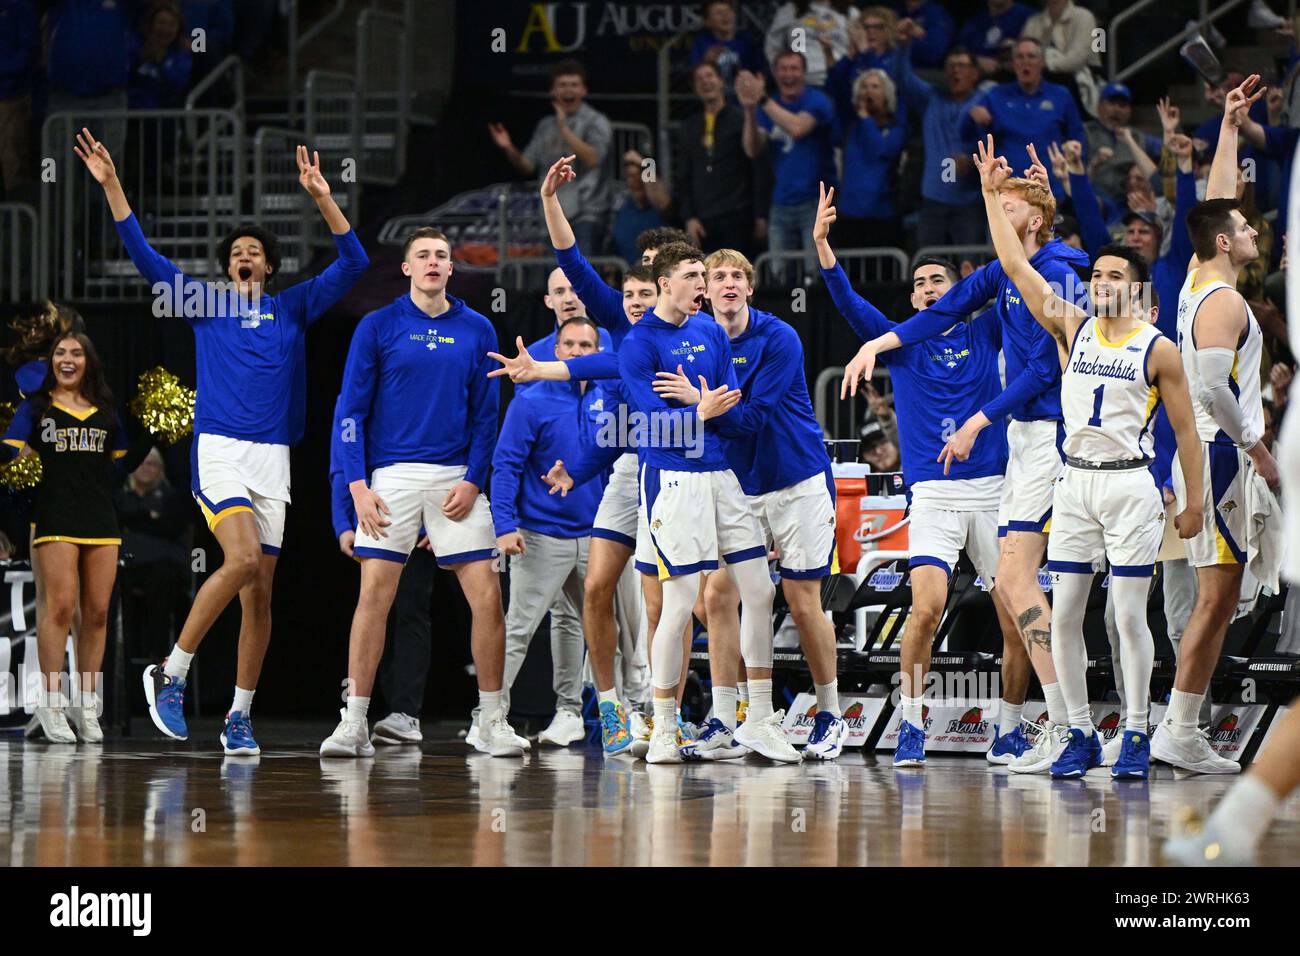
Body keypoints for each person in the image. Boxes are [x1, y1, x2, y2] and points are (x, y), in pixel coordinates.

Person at [78, 129, 369, 755]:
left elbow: (355, 264)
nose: (244, 256)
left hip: (274, 460)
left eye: (254, 251)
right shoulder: (205, 302)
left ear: (268, 265)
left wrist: (322, 195)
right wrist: (112, 186)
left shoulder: (292, 308)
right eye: (236, 250)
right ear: (228, 265)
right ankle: (172, 671)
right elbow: (145, 255)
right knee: (237, 562)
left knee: (259, 595)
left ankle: (239, 717)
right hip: (220, 452)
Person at [842, 144, 1092, 775]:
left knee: (1031, 591)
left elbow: (1042, 367)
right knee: (1019, 591)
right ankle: (1061, 726)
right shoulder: (1004, 274)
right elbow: (945, 310)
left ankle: (1067, 726)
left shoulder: (1058, 272)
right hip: (1009, 454)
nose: (993, 220)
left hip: (1052, 441)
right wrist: (878, 341)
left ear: (1032, 222)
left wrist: (979, 420)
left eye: (1004, 209)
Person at [973, 134, 1207, 779]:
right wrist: (993, 196)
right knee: (1067, 611)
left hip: (1131, 487)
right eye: (1097, 274)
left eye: (1113, 277)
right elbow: (1015, 266)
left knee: (1126, 614)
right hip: (1074, 485)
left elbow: (1187, 435)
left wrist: (1194, 501)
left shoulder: (1158, 349)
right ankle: (1076, 732)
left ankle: (1135, 733)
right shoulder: (1071, 325)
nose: (1101, 282)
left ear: (1134, 291)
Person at [819, 185, 1032, 767]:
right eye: (920, 285)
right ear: (912, 301)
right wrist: (822, 244)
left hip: (993, 488)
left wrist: (1021, 212)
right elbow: (845, 299)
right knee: (927, 607)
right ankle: (910, 724)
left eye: (938, 281)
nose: (928, 289)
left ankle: (1011, 729)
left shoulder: (984, 330)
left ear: (955, 289)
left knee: (1016, 615)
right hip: (933, 495)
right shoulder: (903, 346)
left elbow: (1012, 274)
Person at [322, 226, 516, 759]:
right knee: (374, 600)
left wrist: (474, 479)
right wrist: (357, 486)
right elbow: (350, 414)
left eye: (442, 256)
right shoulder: (376, 325)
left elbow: (486, 417)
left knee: (488, 600)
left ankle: (491, 720)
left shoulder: (478, 329)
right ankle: (355, 721)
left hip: (456, 477)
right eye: (423, 255)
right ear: (406, 268)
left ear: (452, 268)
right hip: (393, 478)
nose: (433, 262)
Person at [653, 247, 844, 760]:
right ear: (704, 291)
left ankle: (830, 712)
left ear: (751, 288)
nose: (728, 284)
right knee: (717, 597)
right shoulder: (694, 339)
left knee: (804, 603)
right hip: (738, 485)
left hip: (796, 480)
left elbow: (751, 417)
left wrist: (699, 405)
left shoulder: (779, 337)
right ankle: (727, 716)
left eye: (738, 275)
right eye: (718, 277)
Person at [611, 241, 792, 764]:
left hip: (720, 472)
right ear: (665, 283)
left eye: (703, 275)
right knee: (679, 604)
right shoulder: (638, 343)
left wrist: (698, 404)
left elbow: (729, 407)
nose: (703, 284)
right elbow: (646, 424)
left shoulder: (710, 331)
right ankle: (663, 725)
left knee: (758, 590)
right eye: (694, 276)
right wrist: (702, 409)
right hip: (671, 477)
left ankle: (757, 718)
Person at [1153, 75, 1285, 774]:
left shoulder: (1201, 279)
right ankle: (1178, 727)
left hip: (1204, 452)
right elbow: (1207, 382)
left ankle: (1180, 725)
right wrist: (1256, 447)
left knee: (1220, 594)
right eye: (1246, 229)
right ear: (1225, 244)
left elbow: (1217, 203)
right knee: (1214, 597)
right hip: (1217, 452)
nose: (1254, 230)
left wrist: (1228, 123)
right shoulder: (1225, 303)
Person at [4, 332, 155, 743]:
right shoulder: (35, 408)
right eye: (60, 353)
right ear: (51, 362)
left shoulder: (104, 411)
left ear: (89, 362)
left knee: (97, 613)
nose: (67, 359)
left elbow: (121, 467)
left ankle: (87, 705)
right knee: (59, 608)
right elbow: (9, 451)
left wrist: (154, 429)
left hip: (101, 520)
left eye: (76, 353)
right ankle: (50, 704)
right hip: (54, 516)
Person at [489, 318, 605, 747]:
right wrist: (504, 526)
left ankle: (570, 712)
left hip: (595, 534)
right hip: (541, 533)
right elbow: (505, 466)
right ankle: (490, 716)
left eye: (586, 345)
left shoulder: (607, 397)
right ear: (556, 350)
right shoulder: (531, 400)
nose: (577, 352)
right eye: (569, 344)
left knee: (579, 623)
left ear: (598, 351)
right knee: (519, 627)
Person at [488, 59, 613, 254]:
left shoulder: (596, 121)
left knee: (582, 279)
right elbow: (527, 166)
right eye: (562, 85)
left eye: (574, 85)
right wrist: (508, 147)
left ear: (583, 91)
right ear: (553, 92)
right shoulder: (546, 126)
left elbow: (593, 159)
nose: (568, 90)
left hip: (587, 215)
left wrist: (564, 129)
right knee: (554, 278)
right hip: (552, 213)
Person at [738, 52, 838, 275]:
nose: (788, 74)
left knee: (817, 273)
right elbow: (752, 149)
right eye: (783, 69)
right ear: (775, 73)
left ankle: (813, 311)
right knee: (779, 275)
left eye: (794, 68)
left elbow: (798, 128)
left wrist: (762, 100)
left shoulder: (817, 100)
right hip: (780, 203)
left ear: (804, 73)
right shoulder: (767, 106)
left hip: (815, 203)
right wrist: (750, 109)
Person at [962, 37, 1086, 198]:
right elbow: (965, 134)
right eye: (1020, 57)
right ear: (1013, 64)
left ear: (1041, 62)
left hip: (1048, 192)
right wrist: (974, 116)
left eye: (1031, 56)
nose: (1025, 61)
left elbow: (1077, 139)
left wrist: (1073, 178)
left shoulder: (1061, 95)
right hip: (1006, 193)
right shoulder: (996, 95)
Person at [902, 46, 986, 248]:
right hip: (933, 199)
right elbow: (902, 78)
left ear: (974, 74)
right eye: (950, 66)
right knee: (928, 264)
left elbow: (998, 143)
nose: (955, 71)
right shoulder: (931, 98)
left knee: (970, 267)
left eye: (962, 66)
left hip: (969, 199)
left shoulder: (986, 102)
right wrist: (904, 45)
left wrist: (972, 158)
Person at [115, 447, 193, 665]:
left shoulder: (172, 498)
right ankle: (120, 661)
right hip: (126, 569)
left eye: (152, 464)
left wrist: (134, 520)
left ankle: (158, 658)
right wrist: (149, 517)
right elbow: (116, 522)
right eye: (141, 462)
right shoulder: (120, 497)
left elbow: (170, 527)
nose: (146, 468)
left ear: (161, 470)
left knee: (164, 577)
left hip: (162, 572)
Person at [676, 61, 758, 256]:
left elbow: (756, 165)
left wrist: (760, 214)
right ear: (694, 88)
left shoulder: (740, 119)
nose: (706, 82)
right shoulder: (689, 127)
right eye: (699, 79)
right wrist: (689, 218)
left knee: (736, 279)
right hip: (703, 222)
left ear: (721, 81)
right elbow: (683, 176)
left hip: (737, 217)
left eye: (710, 76)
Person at [836, 68, 905, 249]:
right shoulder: (851, 126)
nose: (868, 91)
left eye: (875, 87)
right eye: (864, 87)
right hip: (849, 215)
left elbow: (880, 150)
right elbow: (835, 85)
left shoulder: (897, 130)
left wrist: (866, 119)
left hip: (881, 216)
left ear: (887, 94)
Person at [1083, 84, 1164, 206]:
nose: (1117, 110)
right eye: (1111, 103)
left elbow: (1168, 152)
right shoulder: (1085, 132)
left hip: (1128, 203)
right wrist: (1095, 162)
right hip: (1094, 199)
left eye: (1122, 105)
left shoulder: (1137, 137)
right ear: (1099, 107)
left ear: (1129, 111)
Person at [1019, 0, 1099, 113]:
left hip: (1074, 80)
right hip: (1038, 79)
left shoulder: (1084, 17)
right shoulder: (1033, 22)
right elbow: (1023, 55)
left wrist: (1045, 64)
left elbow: (1077, 59)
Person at [765, 1, 856, 89]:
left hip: (841, 79)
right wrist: (781, 74)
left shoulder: (850, 12)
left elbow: (861, 46)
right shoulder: (790, 10)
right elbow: (773, 47)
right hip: (802, 81)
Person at [0, 0, 38, 199]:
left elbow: (28, 51)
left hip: (10, 96)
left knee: (13, 160)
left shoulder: (17, 7)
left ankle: (16, 224)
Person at [609, 150, 670, 267]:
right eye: (631, 176)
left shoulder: (658, 205)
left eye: (640, 175)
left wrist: (645, 164)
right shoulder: (621, 206)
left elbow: (663, 203)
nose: (635, 180)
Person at [128, 1, 193, 110]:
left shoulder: (182, 55)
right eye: (161, 22)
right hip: (133, 116)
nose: (165, 29)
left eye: (172, 24)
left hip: (166, 117)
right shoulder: (135, 48)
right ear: (151, 24)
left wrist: (160, 61)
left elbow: (177, 85)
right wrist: (139, 59)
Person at [690, 0, 765, 93]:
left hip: (744, 98)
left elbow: (759, 72)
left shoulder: (747, 41)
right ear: (708, 22)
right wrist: (706, 62)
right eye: (719, 13)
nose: (725, 16)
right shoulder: (701, 43)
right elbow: (695, 76)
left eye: (728, 11)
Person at [955, 0, 1033, 76]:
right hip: (976, 79)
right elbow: (956, 54)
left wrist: (1017, 49)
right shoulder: (974, 23)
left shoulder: (1030, 18)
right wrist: (975, 60)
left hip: (1015, 79)